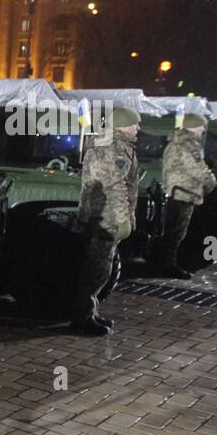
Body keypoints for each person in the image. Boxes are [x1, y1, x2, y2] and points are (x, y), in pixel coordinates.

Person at [72, 105, 140, 336]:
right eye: (134, 123)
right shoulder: (113, 146)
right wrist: (123, 220)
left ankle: (89, 312)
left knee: (99, 268)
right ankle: (82, 318)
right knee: (97, 270)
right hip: (104, 218)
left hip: (101, 216)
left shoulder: (111, 143)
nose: (137, 127)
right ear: (122, 125)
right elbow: (115, 186)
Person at [152, 112, 217, 279]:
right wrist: (212, 183)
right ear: (194, 126)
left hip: (177, 192)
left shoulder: (176, 142)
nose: (203, 129)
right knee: (176, 233)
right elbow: (197, 169)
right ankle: (167, 266)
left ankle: (162, 263)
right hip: (184, 193)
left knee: (171, 232)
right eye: (201, 125)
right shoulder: (188, 144)